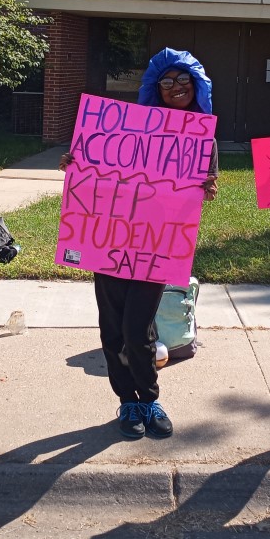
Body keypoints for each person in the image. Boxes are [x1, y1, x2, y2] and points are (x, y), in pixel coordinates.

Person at [61, 48, 220, 440]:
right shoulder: (129, 128)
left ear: (197, 85)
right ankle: (127, 401)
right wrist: (77, 166)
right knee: (112, 327)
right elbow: (99, 168)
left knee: (138, 328)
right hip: (109, 240)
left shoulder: (202, 138)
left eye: (183, 80)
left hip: (156, 245)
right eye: (167, 81)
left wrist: (206, 189)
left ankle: (149, 399)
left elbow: (204, 188)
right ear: (155, 87)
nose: (176, 87)